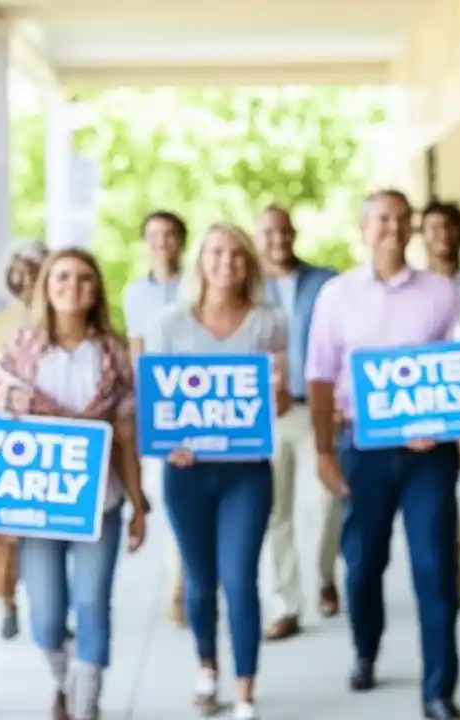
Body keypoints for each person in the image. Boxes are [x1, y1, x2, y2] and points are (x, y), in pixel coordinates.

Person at [305, 190, 460, 720]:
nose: (392, 229)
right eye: (381, 219)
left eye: (402, 219)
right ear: (363, 227)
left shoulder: (443, 292)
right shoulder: (336, 294)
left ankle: (438, 691)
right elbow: (320, 376)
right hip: (363, 449)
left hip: (429, 455)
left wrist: (441, 422)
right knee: (362, 565)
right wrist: (324, 451)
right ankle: (365, 649)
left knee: (435, 568)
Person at [0, 248, 148, 720]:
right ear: (46, 285)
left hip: (100, 501)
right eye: (62, 276)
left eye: (83, 278)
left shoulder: (113, 353)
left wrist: (139, 505)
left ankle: (84, 704)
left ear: (96, 288)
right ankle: (66, 678)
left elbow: (125, 435)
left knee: (93, 603)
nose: (72, 286)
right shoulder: (23, 347)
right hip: (38, 503)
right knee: (46, 617)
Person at [146, 222, 290, 720]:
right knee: (200, 580)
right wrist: (169, 444)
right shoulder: (170, 323)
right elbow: (154, 400)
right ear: (199, 261)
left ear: (248, 262)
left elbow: (283, 399)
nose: (225, 261)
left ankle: (246, 688)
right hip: (187, 474)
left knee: (240, 577)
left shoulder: (269, 321)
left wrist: (276, 395)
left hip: (246, 473)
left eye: (235, 253)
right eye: (215, 252)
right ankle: (206, 667)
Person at [254, 204, 342, 641]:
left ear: (294, 233)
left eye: (284, 230)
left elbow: (342, 340)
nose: (278, 239)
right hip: (267, 415)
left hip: (315, 408)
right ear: (258, 237)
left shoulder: (324, 281)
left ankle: (324, 575)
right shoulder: (247, 287)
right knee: (276, 512)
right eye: (268, 232)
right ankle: (286, 604)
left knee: (327, 500)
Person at [0, 238, 48, 640]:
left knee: (49, 529)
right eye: (18, 272)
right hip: (7, 432)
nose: (24, 280)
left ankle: (50, 603)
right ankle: (7, 600)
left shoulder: (58, 315)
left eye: (32, 271)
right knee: (6, 531)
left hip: (51, 433)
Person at [122, 209, 190, 626]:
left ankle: (183, 582)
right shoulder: (134, 294)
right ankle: (179, 580)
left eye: (169, 234)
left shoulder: (197, 285)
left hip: (196, 400)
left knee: (186, 488)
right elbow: (137, 349)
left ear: (181, 240)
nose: (162, 241)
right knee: (170, 490)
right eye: (154, 235)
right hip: (158, 404)